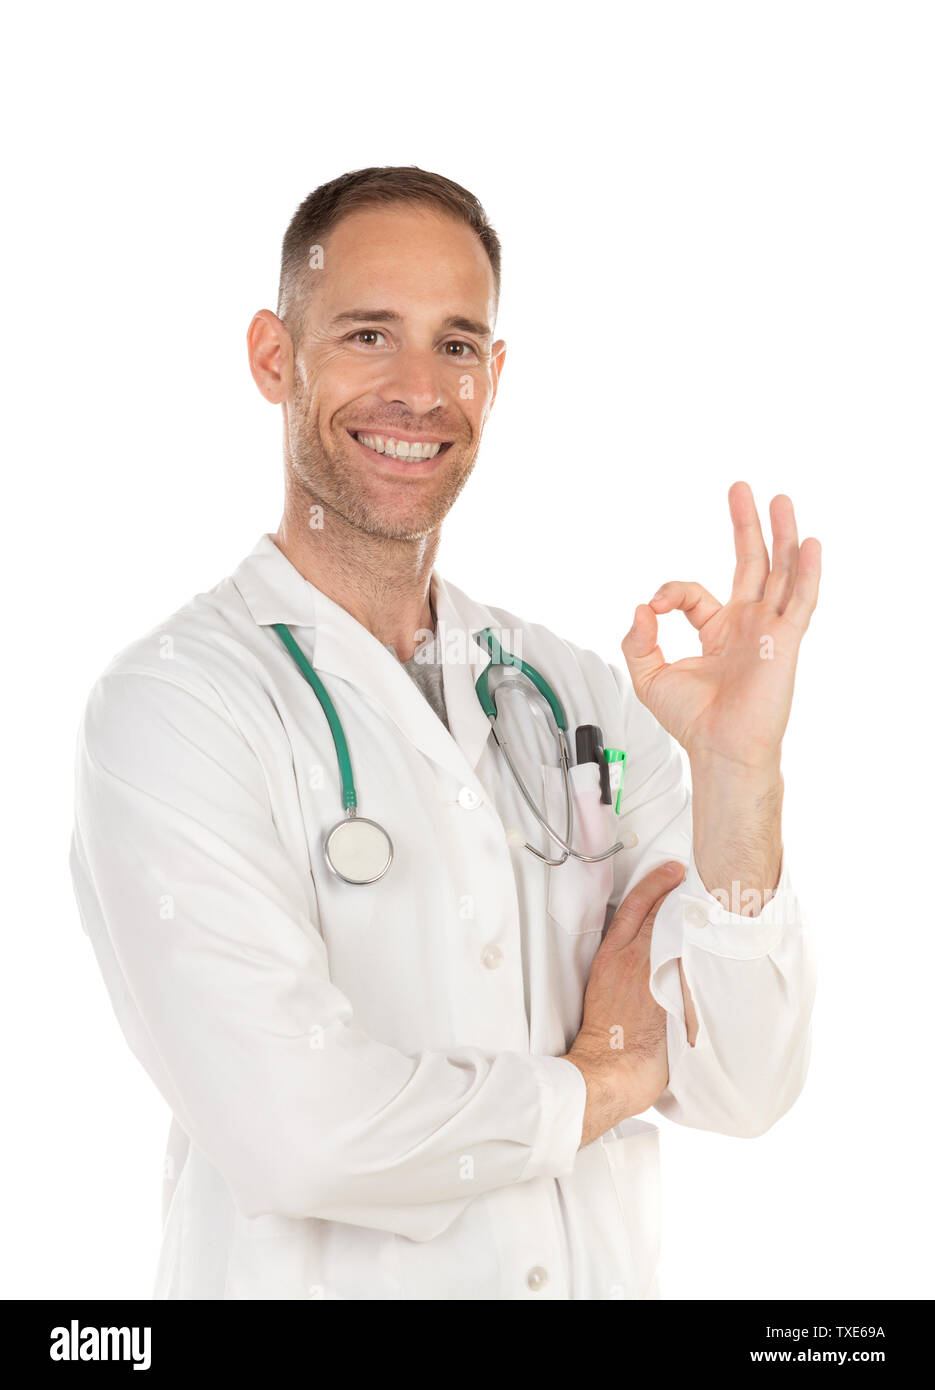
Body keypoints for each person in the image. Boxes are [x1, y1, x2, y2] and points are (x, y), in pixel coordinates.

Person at [70, 165, 820, 1301]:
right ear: (276, 357)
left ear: (495, 375)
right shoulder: (174, 707)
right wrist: (598, 1086)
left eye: (457, 345)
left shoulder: (577, 694)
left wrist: (738, 779)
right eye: (370, 334)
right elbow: (299, 1131)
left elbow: (745, 1082)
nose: (418, 390)